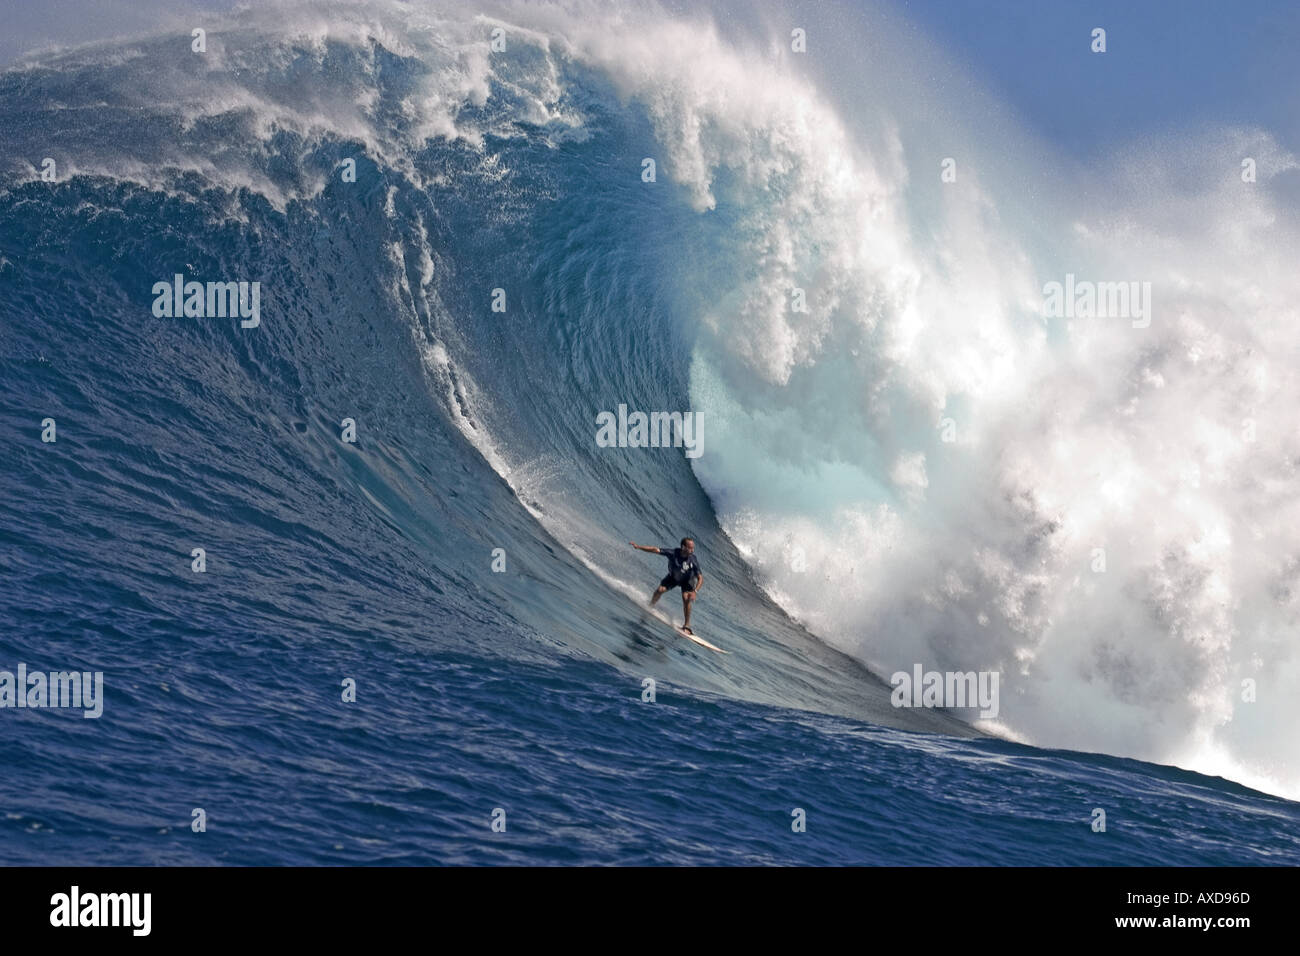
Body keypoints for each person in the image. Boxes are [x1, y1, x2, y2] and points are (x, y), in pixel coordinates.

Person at [630, 537, 703, 634]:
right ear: (683, 547)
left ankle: (687, 625)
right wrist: (638, 547)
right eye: (690, 548)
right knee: (660, 590)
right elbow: (655, 549)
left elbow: (700, 578)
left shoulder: (693, 560)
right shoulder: (673, 553)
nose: (692, 550)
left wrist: (695, 591)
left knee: (686, 598)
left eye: (693, 548)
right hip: (673, 577)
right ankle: (650, 606)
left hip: (687, 581)